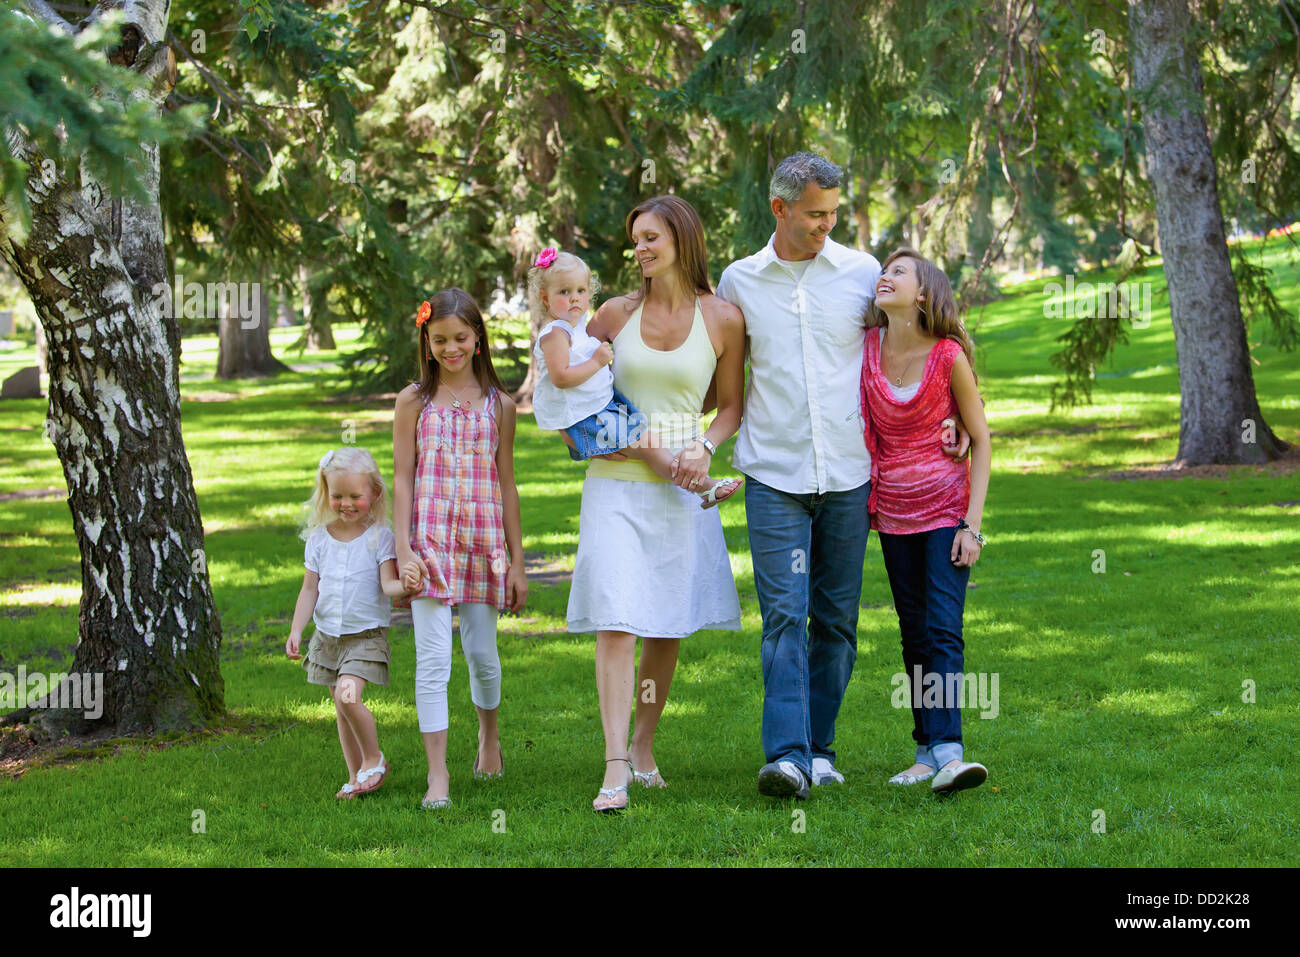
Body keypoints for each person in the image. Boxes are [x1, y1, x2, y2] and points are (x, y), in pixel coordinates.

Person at [715, 152, 968, 799]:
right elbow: (727, 381)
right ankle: (788, 756)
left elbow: (922, 340)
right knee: (782, 617)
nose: (827, 223)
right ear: (780, 209)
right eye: (814, 215)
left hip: (852, 478)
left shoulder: (860, 274)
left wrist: (958, 422)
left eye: (833, 212)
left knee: (835, 622)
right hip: (774, 474)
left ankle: (820, 747)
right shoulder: (740, 282)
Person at [565, 195, 746, 812]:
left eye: (650, 237)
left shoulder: (722, 318)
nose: (639, 249)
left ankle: (643, 746)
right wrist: (603, 441)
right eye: (635, 239)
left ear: (682, 238)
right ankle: (614, 763)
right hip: (616, 488)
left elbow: (731, 409)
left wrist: (702, 446)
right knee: (616, 618)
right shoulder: (613, 314)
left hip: (681, 495)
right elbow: (567, 393)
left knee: (664, 625)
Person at [861, 248, 991, 794]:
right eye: (882, 270)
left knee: (942, 629)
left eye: (898, 271)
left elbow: (981, 439)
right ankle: (925, 750)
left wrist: (972, 526)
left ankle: (950, 751)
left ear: (923, 294)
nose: (884, 276)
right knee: (913, 635)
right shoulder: (867, 348)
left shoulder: (946, 356)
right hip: (893, 516)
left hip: (944, 513)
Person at [392, 289, 528, 810]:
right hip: (428, 544)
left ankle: (488, 736)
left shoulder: (502, 405)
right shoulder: (413, 401)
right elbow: (403, 478)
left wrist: (518, 563)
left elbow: (507, 484)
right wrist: (403, 547)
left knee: (481, 655)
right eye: (440, 339)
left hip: (483, 546)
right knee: (432, 659)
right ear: (426, 341)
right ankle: (437, 775)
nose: (451, 348)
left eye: (461, 338)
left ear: (478, 341)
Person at [529, 245, 743, 508]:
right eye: (564, 292)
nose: (574, 298)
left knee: (649, 443)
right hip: (592, 415)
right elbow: (560, 378)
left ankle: (700, 483)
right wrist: (597, 363)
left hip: (604, 408)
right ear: (544, 297)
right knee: (649, 444)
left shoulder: (576, 329)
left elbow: (725, 405)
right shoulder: (556, 334)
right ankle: (704, 486)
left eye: (580, 291)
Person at [285, 447, 412, 799]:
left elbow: (388, 585)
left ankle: (375, 758)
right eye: (337, 495)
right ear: (326, 494)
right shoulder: (319, 540)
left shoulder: (379, 537)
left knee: (348, 696)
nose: (346, 503)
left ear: (374, 494)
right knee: (342, 710)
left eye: (355, 496)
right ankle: (357, 776)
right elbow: (309, 589)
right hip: (327, 639)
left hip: (365, 637)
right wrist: (297, 629)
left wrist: (408, 586)